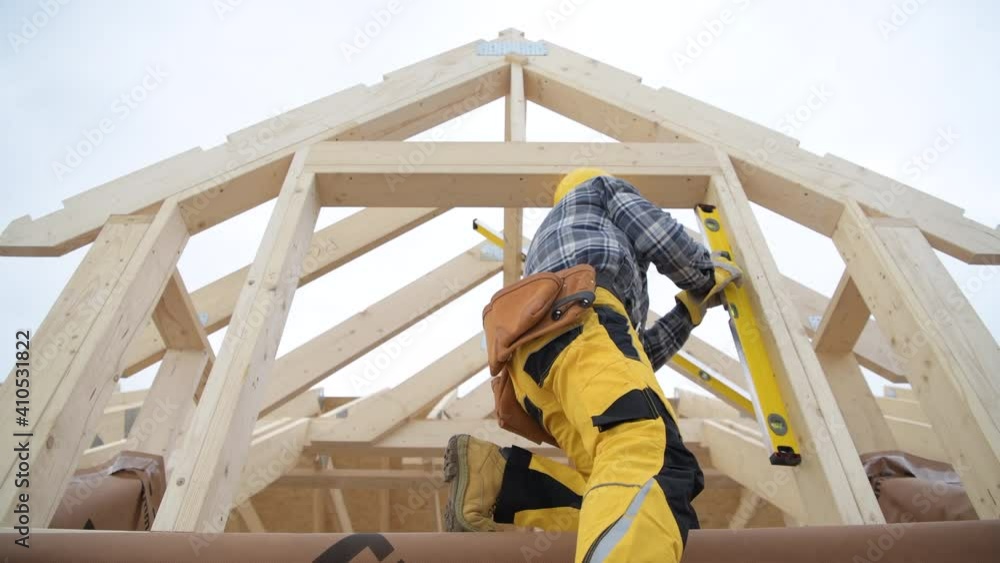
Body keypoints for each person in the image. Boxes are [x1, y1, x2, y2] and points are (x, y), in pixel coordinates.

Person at [443, 168, 742, 563]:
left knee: (611, 478)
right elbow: (657, 233)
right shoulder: (600, 189)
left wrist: (689, 312)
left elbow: (629, 357)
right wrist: (704, 274)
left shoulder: (556, 252)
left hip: (536, 366)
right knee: (650, 456)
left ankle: (497, 478)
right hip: (581, 327)